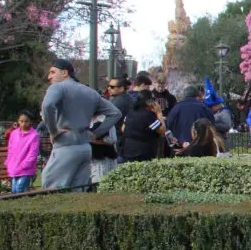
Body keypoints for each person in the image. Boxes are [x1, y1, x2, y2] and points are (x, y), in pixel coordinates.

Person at [40, 59, 121, 189]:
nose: (49, 76)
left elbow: (47, 105)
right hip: (85, 148)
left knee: (51, 191)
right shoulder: (90, 92)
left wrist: (53, 131)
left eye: (52, 72)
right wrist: (94, 134)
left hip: (65, 146)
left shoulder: (57, 87)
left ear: (65, 72)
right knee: (77, 195)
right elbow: (115, 113)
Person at [118, 91, 167, 163]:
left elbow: (123, 129)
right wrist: (159, 113)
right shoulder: (148, 115)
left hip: (127, 148)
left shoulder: (131, 112)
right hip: (143, 152)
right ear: (149, 102)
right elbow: (162, 130)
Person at [166, 85, 214, 150]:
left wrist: (176, 144)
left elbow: (168, 127)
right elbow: (212, 125)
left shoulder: (175, 108)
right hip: (200, 146)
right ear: (197, 95)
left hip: (180, 147)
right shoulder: (204, 108)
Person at [6, 110, 40, 193]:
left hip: (25, 169)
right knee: (14, 191)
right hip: (14, 166)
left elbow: (33, 152)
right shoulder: (14, 133)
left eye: (26, 121)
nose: (23, 124)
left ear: (30, 122)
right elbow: (10, 149)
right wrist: (8, 162)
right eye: (21, 121)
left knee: (20, 189)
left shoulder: (34, 135)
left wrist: (25, 165)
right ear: (18, 121)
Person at [204, 79, 233, 151]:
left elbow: (227, 125)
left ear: (217, 105)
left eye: (211, 106)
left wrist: (211, 125)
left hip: (222, 140)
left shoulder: (224, 112)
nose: (210, 108)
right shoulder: (214, 112)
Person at [107, 77, 134, 145]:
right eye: (108, 86)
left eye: (112, 87)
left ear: (121, 88)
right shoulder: (129, 98)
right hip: (127, 137)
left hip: (119, 137)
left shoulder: (118, 101)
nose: (109, 88)